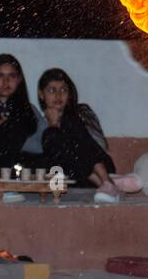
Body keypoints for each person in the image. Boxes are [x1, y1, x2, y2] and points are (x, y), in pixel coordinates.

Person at [35, 68, 141, 202]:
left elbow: (96, 145)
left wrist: (59, 125)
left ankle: (105, 180)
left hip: (97, 162)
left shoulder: (80, 113)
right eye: (52, 90)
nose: (58, 95)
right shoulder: (36, 121)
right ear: (41, 94)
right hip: (67, 176)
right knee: (51, 136)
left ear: (70, 94)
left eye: (63, 90)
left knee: (68, 122)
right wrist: (53, 125)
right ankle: (107, 182)